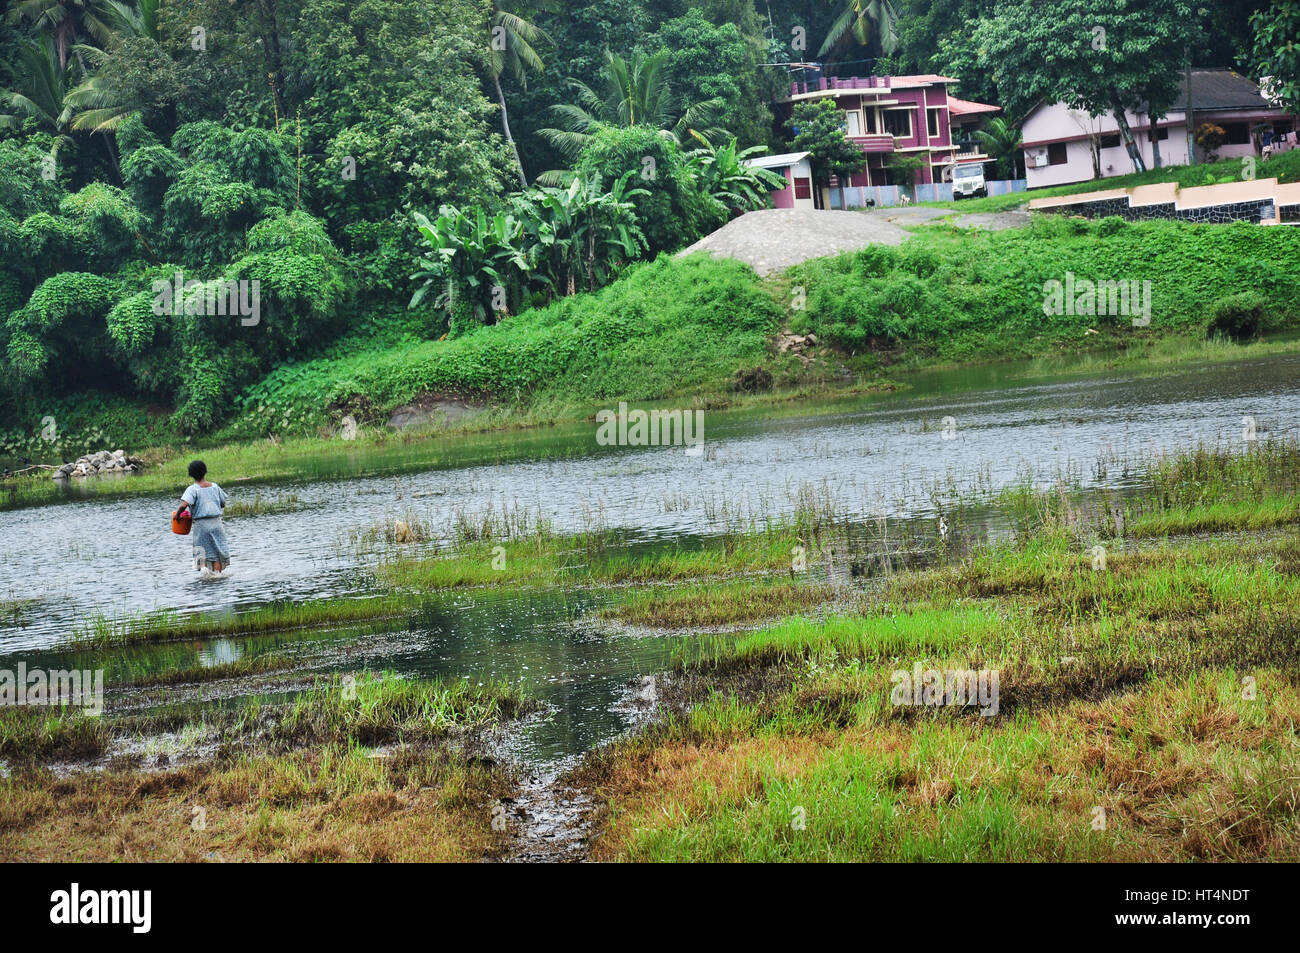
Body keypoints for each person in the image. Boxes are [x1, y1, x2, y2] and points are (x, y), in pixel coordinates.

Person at [179, 460, 231, 573]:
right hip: (217, 524)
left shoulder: (192, 489)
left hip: (202, 526)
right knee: (217, 552)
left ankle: (206, 579)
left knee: (203, 553)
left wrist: (178, 515)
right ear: (205, 472)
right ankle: (218, 577)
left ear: (191, 474)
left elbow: (183, 505)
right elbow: (222, 504)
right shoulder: (215, 487)